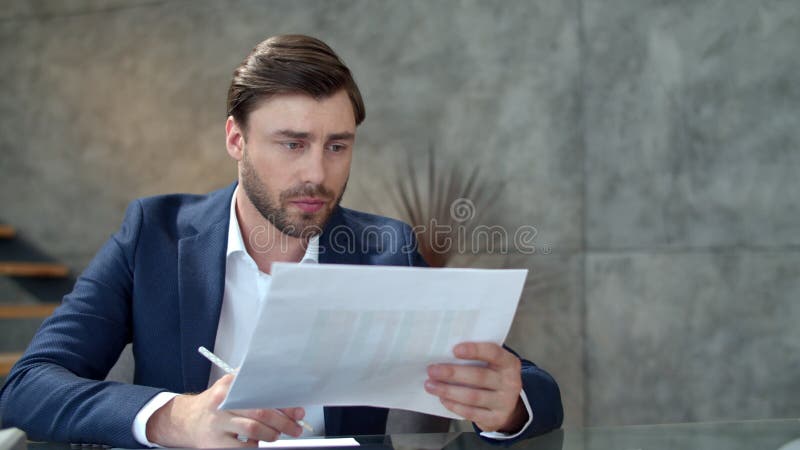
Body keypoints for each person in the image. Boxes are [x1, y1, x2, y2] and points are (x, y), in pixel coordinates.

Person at [0, 35, 563, 448]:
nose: (317, 174)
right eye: (292, 144)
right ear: (236, 139)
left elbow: (529, 386)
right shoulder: (153, 233)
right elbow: (28, 384)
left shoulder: (385, 248)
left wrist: (509, 406)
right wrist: (177, 419)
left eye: (337, 146)